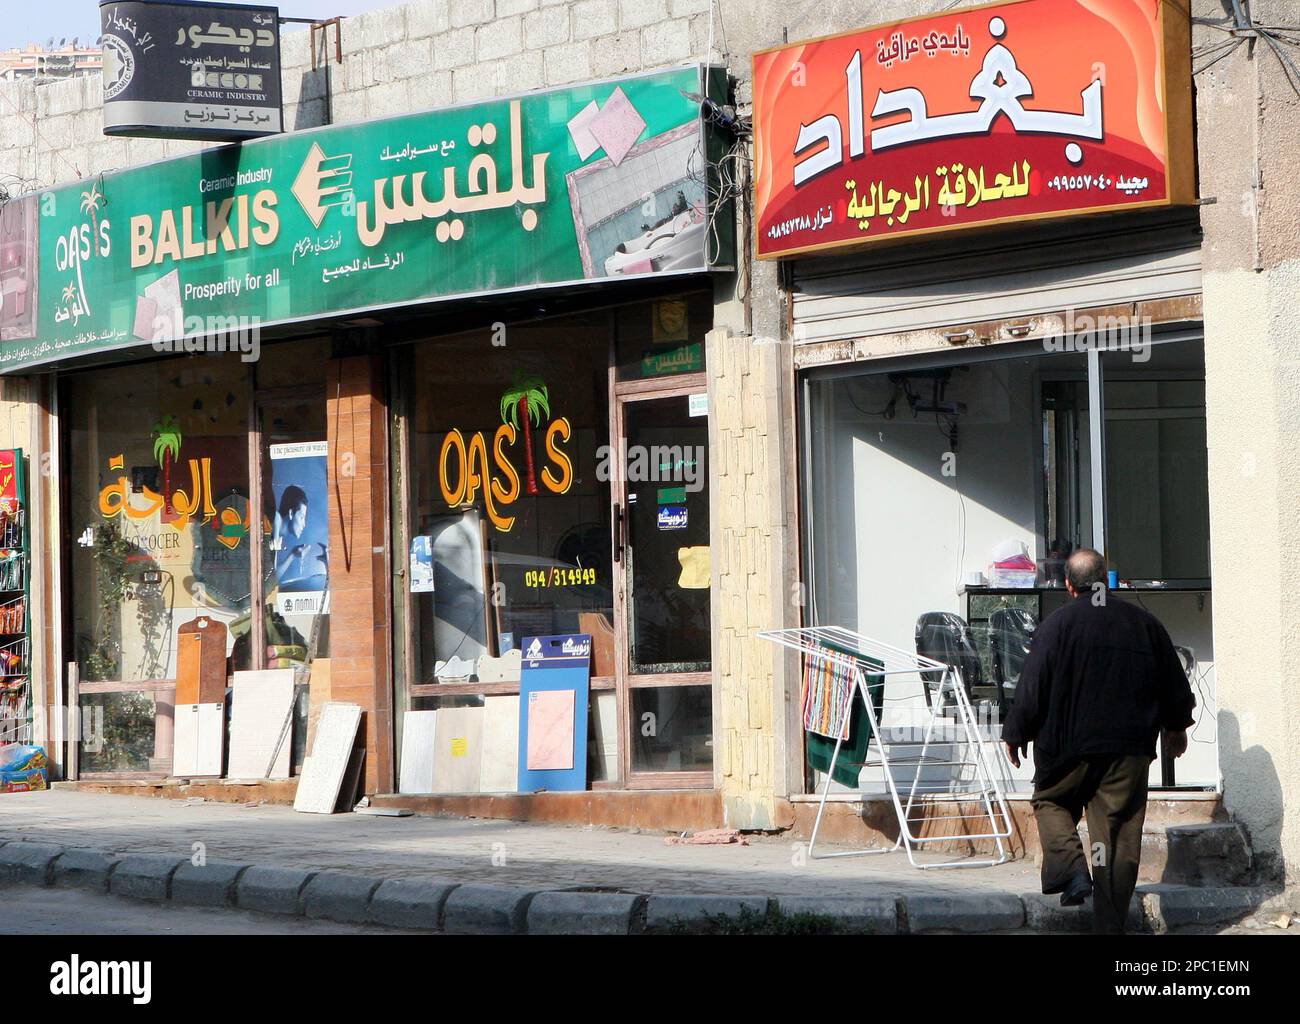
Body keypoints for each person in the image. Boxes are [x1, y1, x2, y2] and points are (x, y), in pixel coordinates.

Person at [1002, 548, 1195, 934]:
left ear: (1068, 585)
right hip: (1127, 751)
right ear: (1107, 580)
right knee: (1116, 836)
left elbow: (1032, 685)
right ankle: (1109, 927)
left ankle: (1074, 870)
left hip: (1068, 749)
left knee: (1051, 801)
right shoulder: (1145, 624)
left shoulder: (1057, 625)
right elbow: (1174, 682)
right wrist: (1176, 728)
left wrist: (1016, 731)